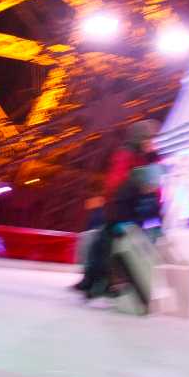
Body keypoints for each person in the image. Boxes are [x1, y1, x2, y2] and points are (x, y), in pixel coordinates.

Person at [73, 119, 160, 298]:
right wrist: (136, 182)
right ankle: (97, 280)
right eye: (149, 139)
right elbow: (115, 183)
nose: (152, 143)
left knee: (110, 242)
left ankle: (104, 280)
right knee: (103, 241)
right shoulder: (126, 155)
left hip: (137, 211)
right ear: (139, 139)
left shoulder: (150, 158)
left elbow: (156, 187)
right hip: (121, 208)